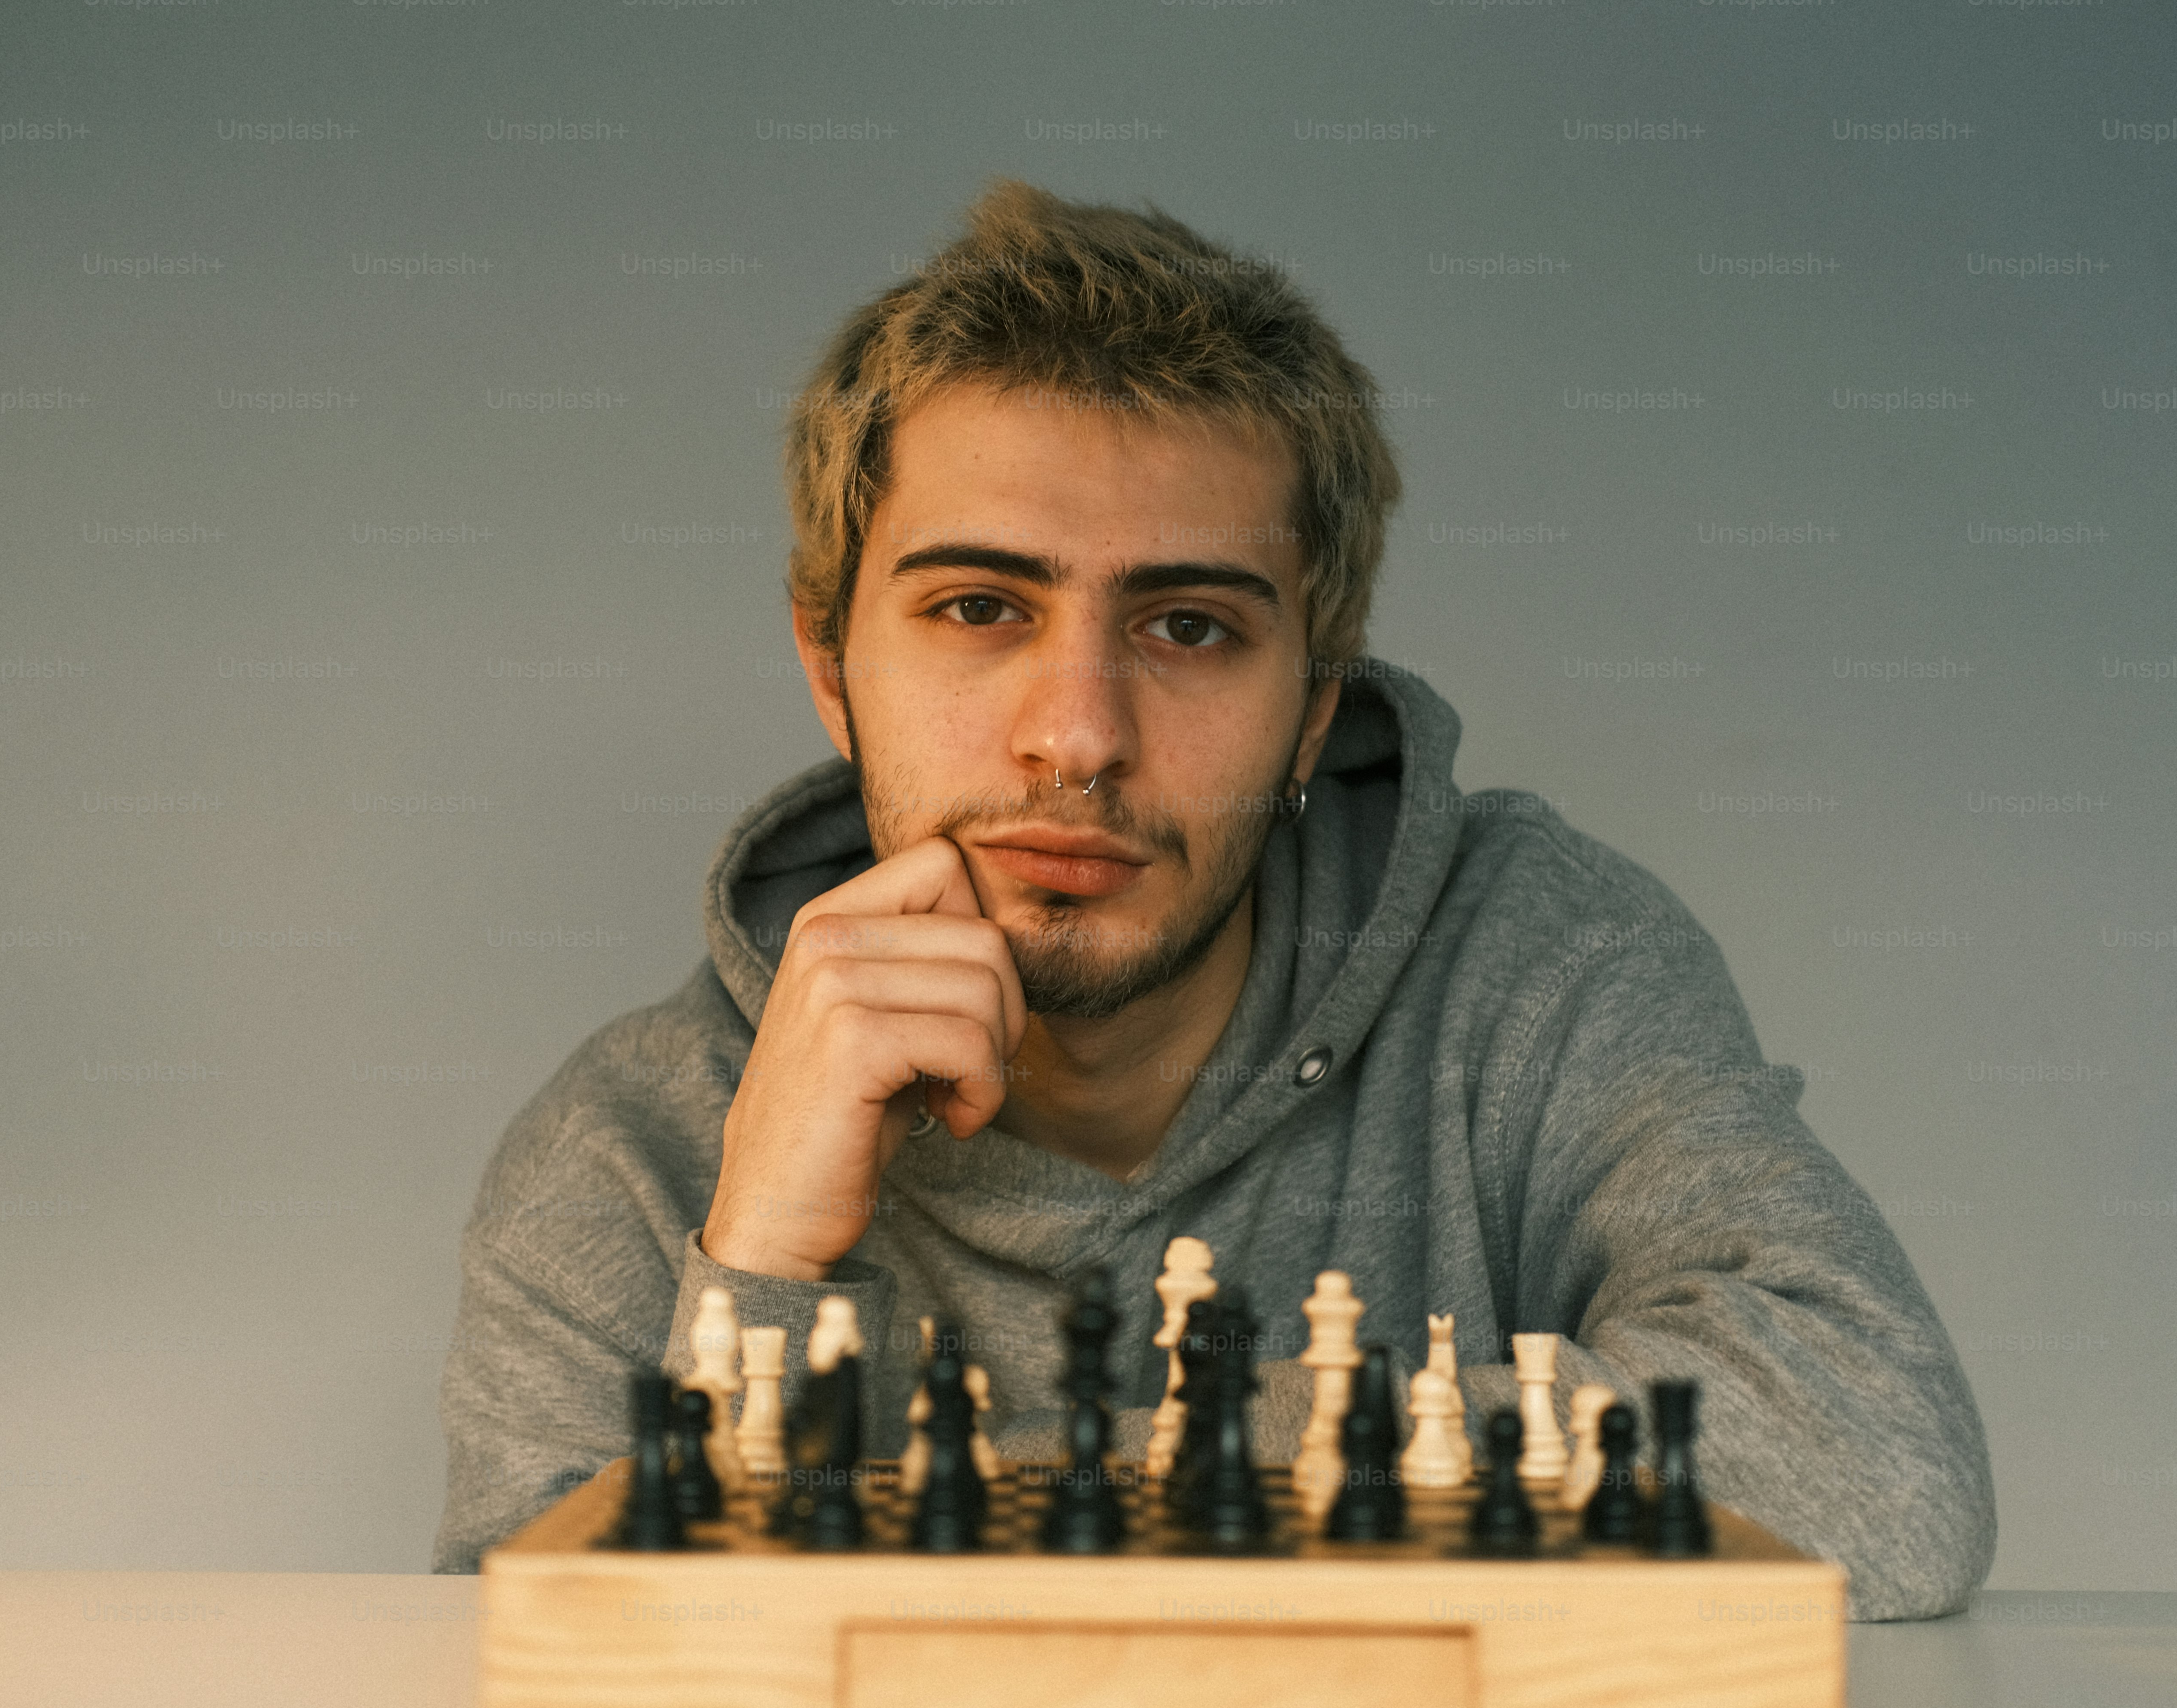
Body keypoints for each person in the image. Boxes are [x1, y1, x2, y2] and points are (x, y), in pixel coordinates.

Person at [431, 180, 1996, 1618]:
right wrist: (760, 1266)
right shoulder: (635, 1147)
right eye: (981, 609)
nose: (1082, 737)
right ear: (830, 668)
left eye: (1188, 628)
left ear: (1315, 707)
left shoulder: (1542, 967)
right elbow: (569, 1680)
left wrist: (1178, 1456)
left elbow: (1877, 1477)